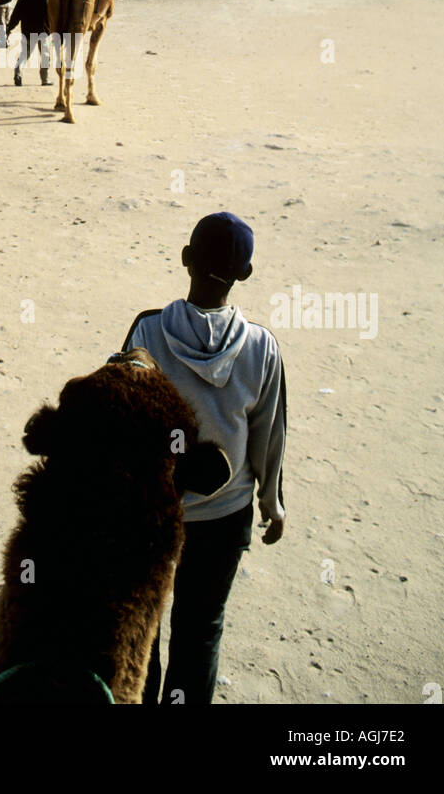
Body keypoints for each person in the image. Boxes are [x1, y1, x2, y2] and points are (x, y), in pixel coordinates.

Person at [122, 212, 286, 706]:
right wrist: (272, 500)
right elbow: (267, 435)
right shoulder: (261, 347)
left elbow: (124, 418)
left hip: (152, 512)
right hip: (223, 515)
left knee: (142, 624)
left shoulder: (148, 332)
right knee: (201, 629)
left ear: (186, 260)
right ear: (245, 274)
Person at [6, 0, 50, 85]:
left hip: (28, 30)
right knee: (45, 56)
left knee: (25, 54)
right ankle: (44, 79)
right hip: (43, 31)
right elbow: (53, 14)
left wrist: (10, 26)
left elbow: (17, 12)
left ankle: (18, 73)